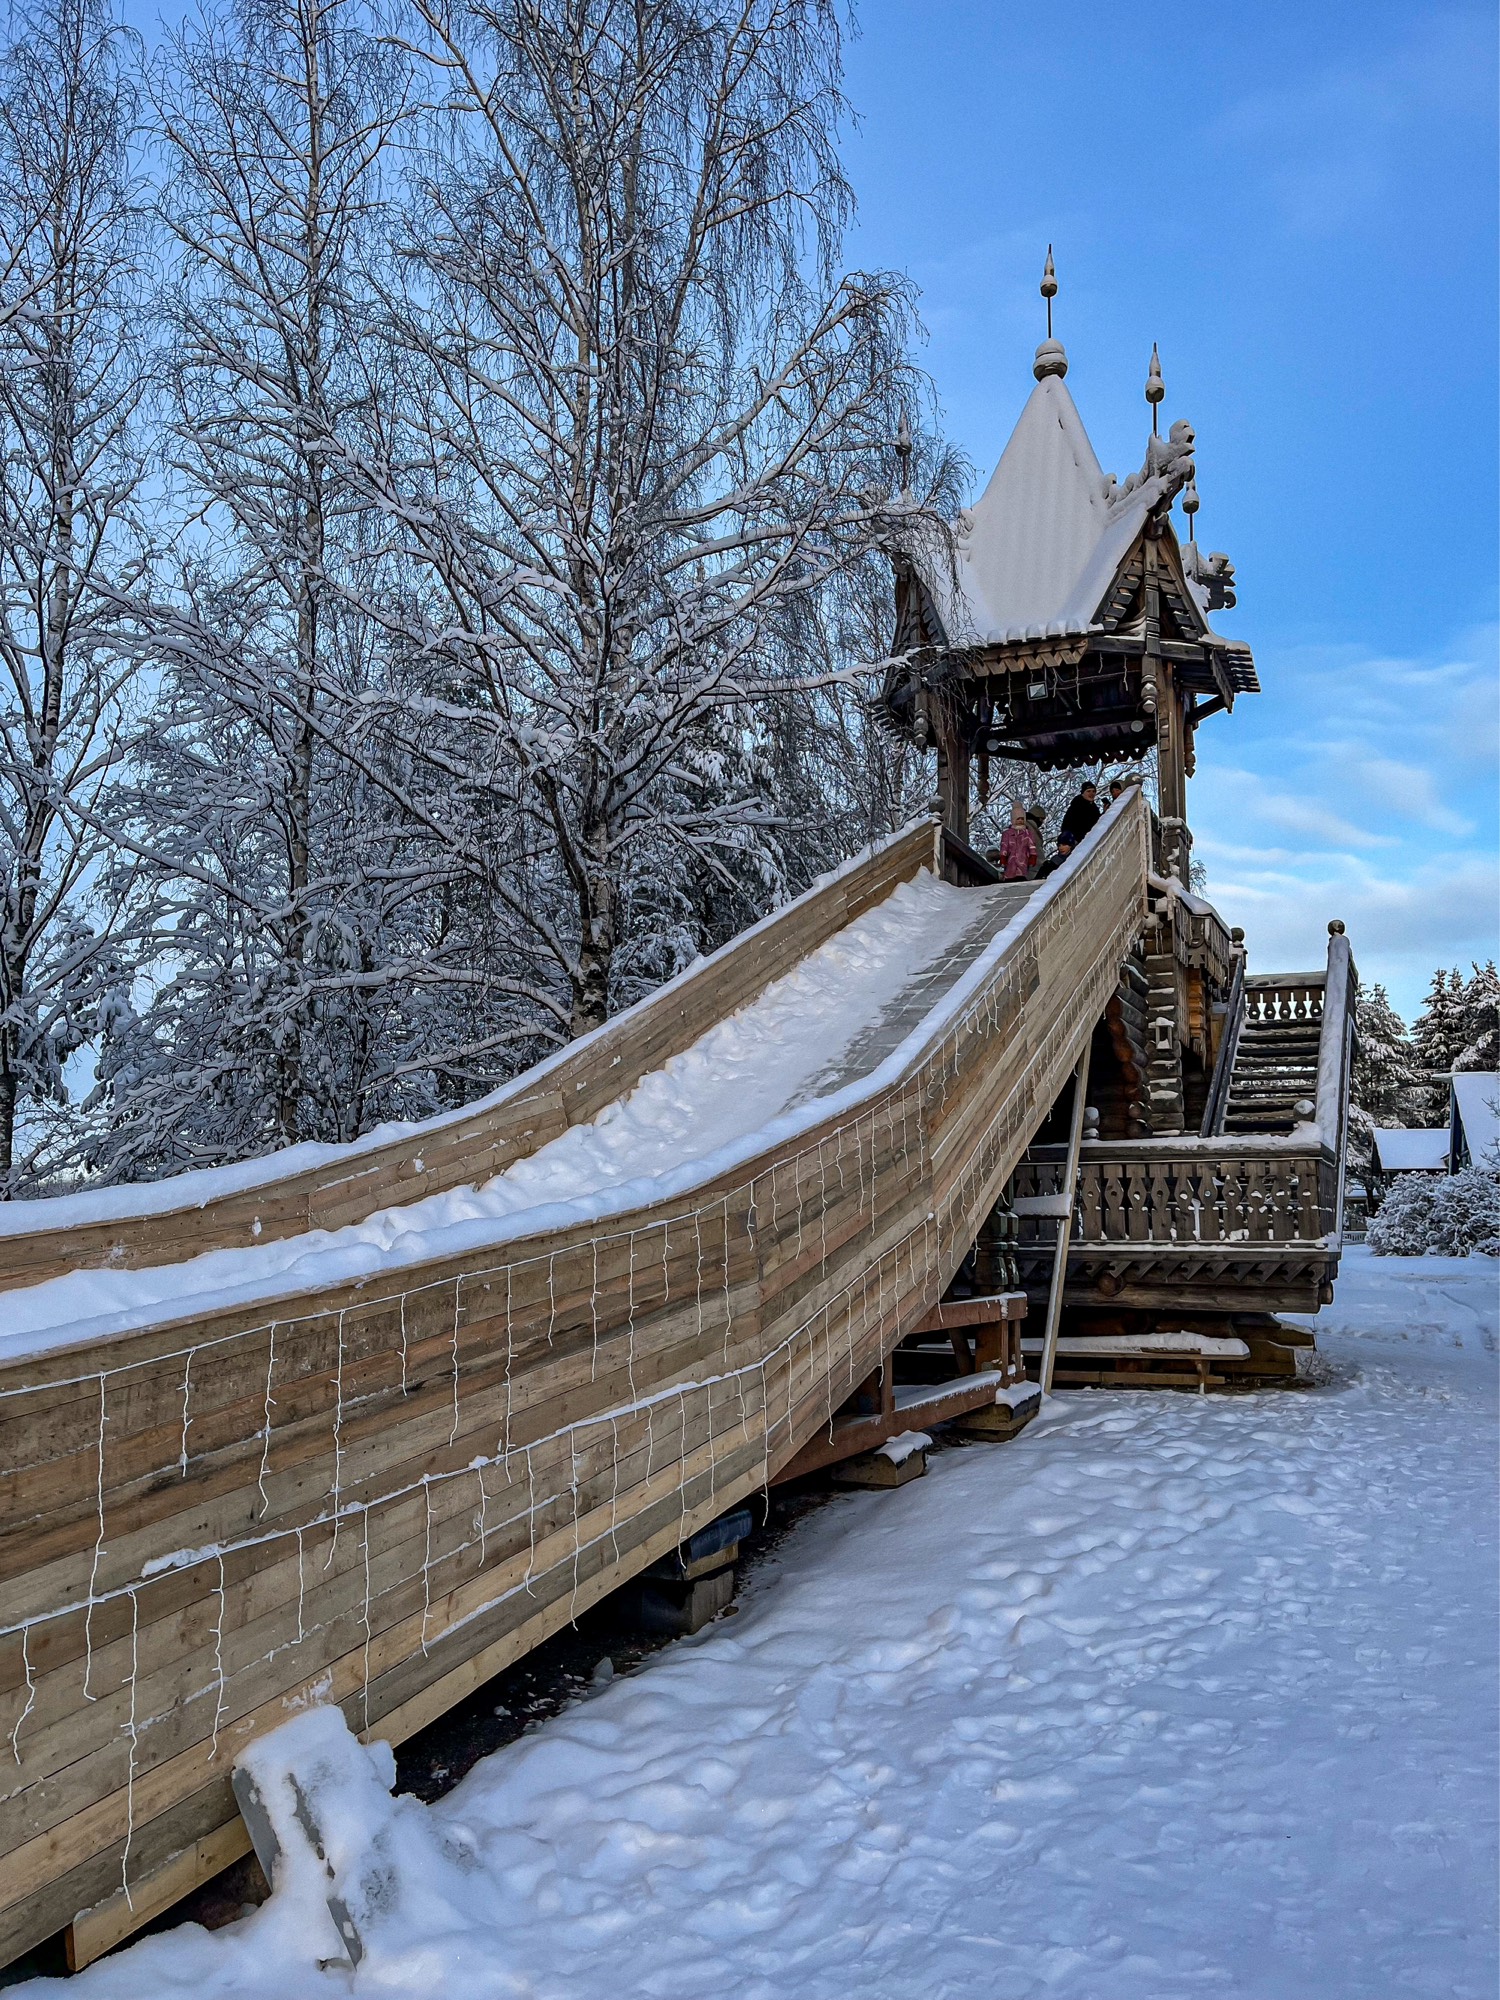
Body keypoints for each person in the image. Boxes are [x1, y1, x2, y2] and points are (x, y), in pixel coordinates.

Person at [997, 802, 1038, 881]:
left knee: (1021, 875)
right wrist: (1003, 857)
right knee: (1010, 875)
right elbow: (1004, 846)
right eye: (1018, 819)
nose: (1020, 821)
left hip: (1023, 860)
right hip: (1011, 860)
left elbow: (1032, 845)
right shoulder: (1007, 834)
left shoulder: (1027, 833)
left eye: (1022, 819)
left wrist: (1033, 856)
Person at [1058, 780, 1099, 847]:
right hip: (1077, 844)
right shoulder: (1075, 807)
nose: (1092, 794)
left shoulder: (1094, 808)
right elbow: (1066, 827)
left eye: (1093, 791)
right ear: (1083, 793)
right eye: (1088, 791)